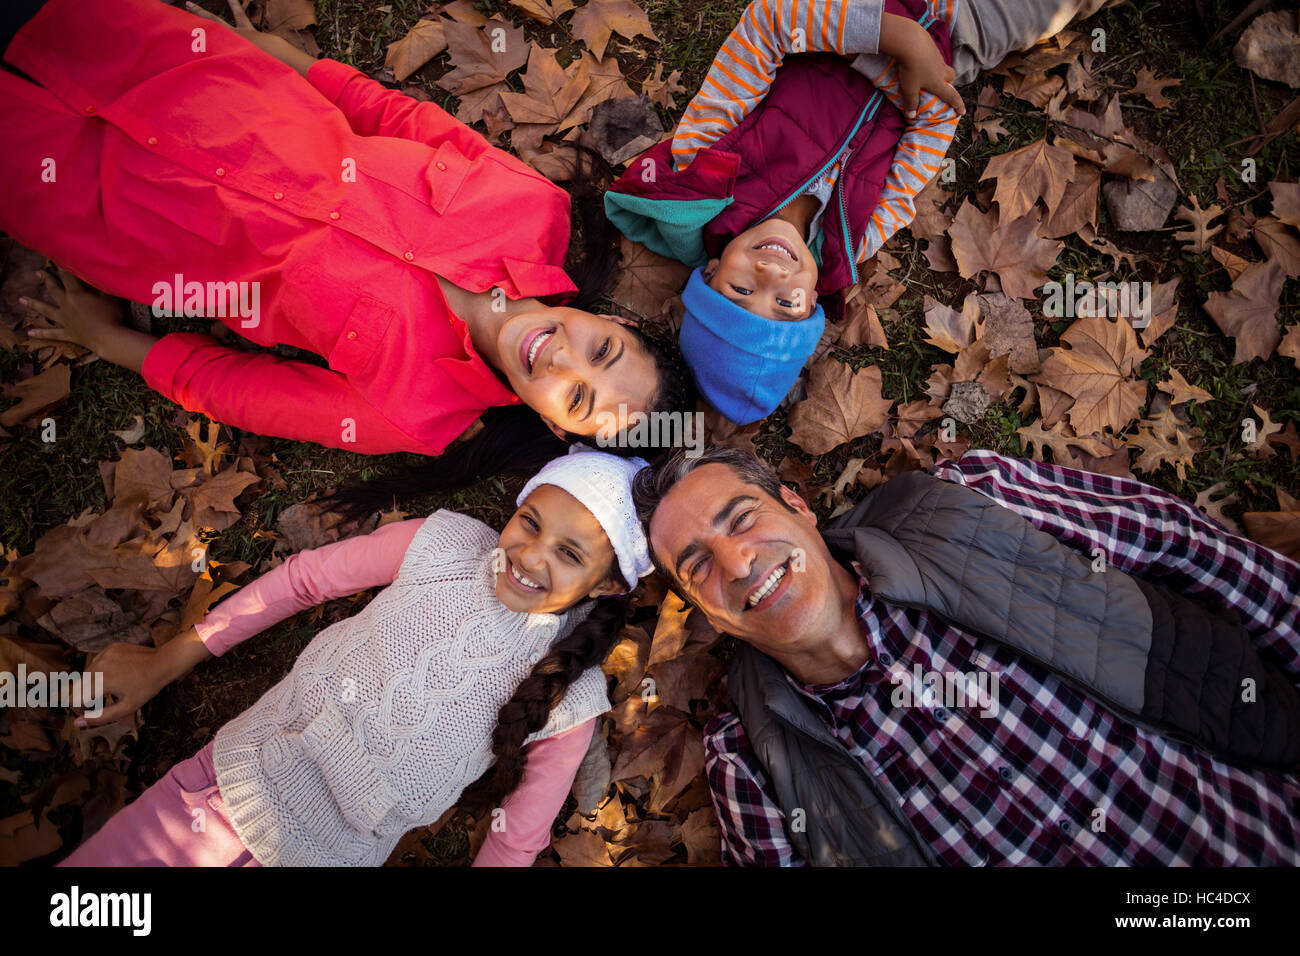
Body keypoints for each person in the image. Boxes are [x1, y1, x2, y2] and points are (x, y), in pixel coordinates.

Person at [0, 0, 692, 470]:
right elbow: (385, 114)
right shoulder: (531, 207)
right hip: (176, 67)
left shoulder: (415, 415)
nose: (563, 360)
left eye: (576, 399)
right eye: (602, 349)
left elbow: (239, 391)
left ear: (551, 427)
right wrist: (253, 49)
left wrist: (102, 340)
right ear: (610, 320)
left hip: (95, 206)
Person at [632, 445, 1300, 865]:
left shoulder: (968, 505)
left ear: (798, 505)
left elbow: (1182, 547)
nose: (739, 562)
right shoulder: (753, 768)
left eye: (742, 518)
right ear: (711, 618)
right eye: (699, 567)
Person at [60, 448, 652, 866]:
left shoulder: (569, 695)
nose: (532, 555)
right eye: (529, 522)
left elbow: (517, 838)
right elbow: (305, 581)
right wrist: (170, 658)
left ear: (606, 585)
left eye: (570, 553)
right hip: (211, 798)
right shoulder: (443, 545)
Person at [605, 0, 1117, 423]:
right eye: (786, 304)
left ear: (711, 271)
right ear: (811, 309)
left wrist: (890, 36)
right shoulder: (855, 242)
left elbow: (766, 25)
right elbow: (923, 150)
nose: (770, 274)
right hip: (961, 37)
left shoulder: (707, 166)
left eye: (741, 291)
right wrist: (928, 72)